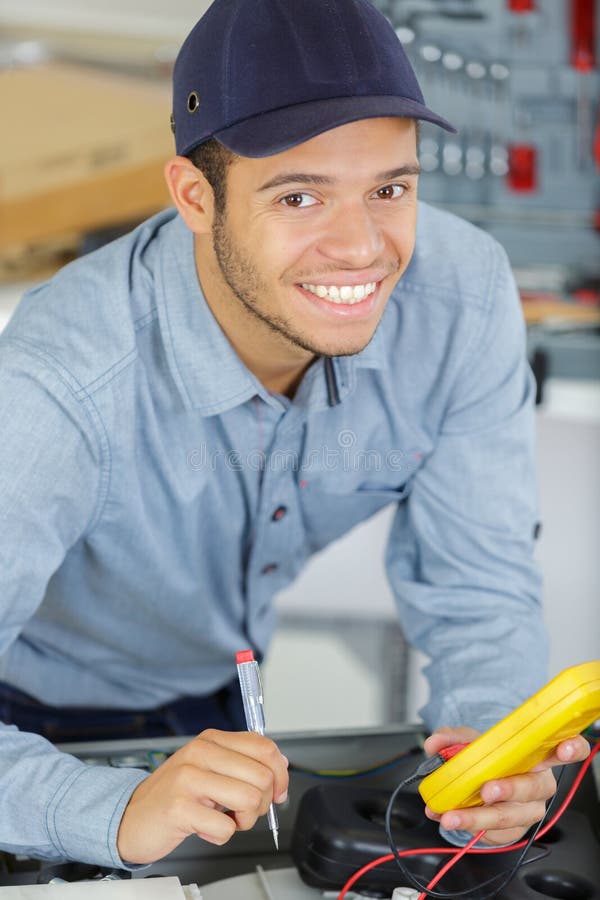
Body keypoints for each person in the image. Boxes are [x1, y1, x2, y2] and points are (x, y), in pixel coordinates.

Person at [0, 0, 588, 873]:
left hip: (217, 714)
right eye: (300, 195)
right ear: (195, 198)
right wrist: (107, 806)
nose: (360, 248)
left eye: (389, 188)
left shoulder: (462, 303)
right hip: (30, 728)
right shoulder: (57, 389)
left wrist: (495, 752)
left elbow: (478, 589)